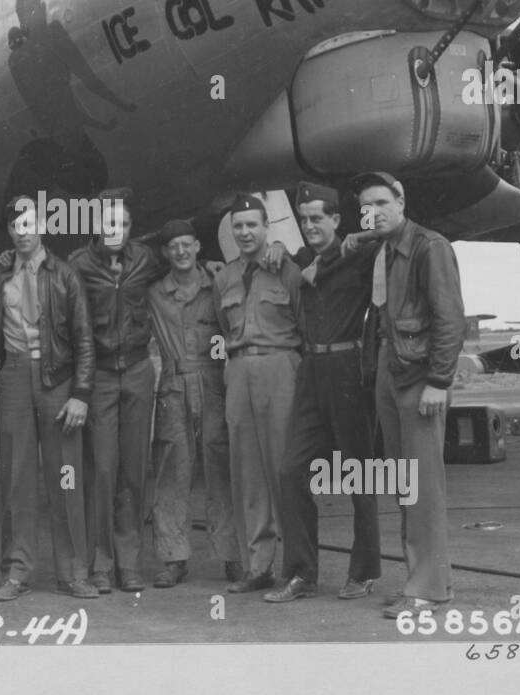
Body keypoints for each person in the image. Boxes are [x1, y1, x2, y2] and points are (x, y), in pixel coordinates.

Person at [351, 172, 466, 618]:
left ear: (401, 202)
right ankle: (424, 582)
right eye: (366, 206)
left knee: (422, 488)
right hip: (390, 370)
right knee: (406, 485)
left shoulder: (429, 246)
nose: (374, 212)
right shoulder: (383, 249)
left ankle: (428, 590)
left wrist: (439, 380)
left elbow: (450, 317)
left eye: (382, 202)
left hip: (418, 378)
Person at [268, 183, 382, 604]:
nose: (310, 225)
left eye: (318, 217)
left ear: (336, 219)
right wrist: (282, 246)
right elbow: (286, 253)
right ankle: (301, 573)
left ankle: (365, 571)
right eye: (305, 219)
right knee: (291, 470)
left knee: (360, 475)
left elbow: (397, 230)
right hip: (310, 372)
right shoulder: (303, 260)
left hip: (349, 371)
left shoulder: (358, 255)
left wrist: (361, 236)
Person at [0, 195, 99, 601]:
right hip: (15, 375)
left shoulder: (65, 275)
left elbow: (85, 339)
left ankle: (73, 573)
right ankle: (16, 573)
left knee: (65, 478)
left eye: (30, 224)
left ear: (45, 227)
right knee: (16, 477)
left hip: (58, 379)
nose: (23, 233)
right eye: (15, 225)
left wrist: (81, 394)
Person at [68, 190, 166, 593]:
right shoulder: (77, 265)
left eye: (124, 225)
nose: (116, 231)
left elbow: (184, 263)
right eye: (109, 224)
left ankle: (129, 563)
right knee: (103, 471)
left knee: (133, 470)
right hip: (102, 375)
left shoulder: (144, 259)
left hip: (139, 370)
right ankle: (101, 564)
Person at [213, 193, 305, 593]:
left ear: (267, 227)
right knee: (247, 471)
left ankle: (295, 567)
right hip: (239, 369)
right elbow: (222, 322)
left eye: (253, 225)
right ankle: (258, 566)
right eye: (239, 226)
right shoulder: (224, 277)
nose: (245, 232)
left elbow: (303, 321)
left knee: (281, 468)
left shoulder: (287, 269)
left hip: (280, 365)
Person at [147, 219, 242, 589]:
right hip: (173, 383)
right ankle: (173, 557)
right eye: (173, 247)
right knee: (172, 469)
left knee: (222, 467)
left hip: (215, 380)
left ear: (199, 247)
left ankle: (231, 554)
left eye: (187, 245)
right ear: (165, 253)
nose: (181, 252)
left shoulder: (217, 284)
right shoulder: (154, 291)